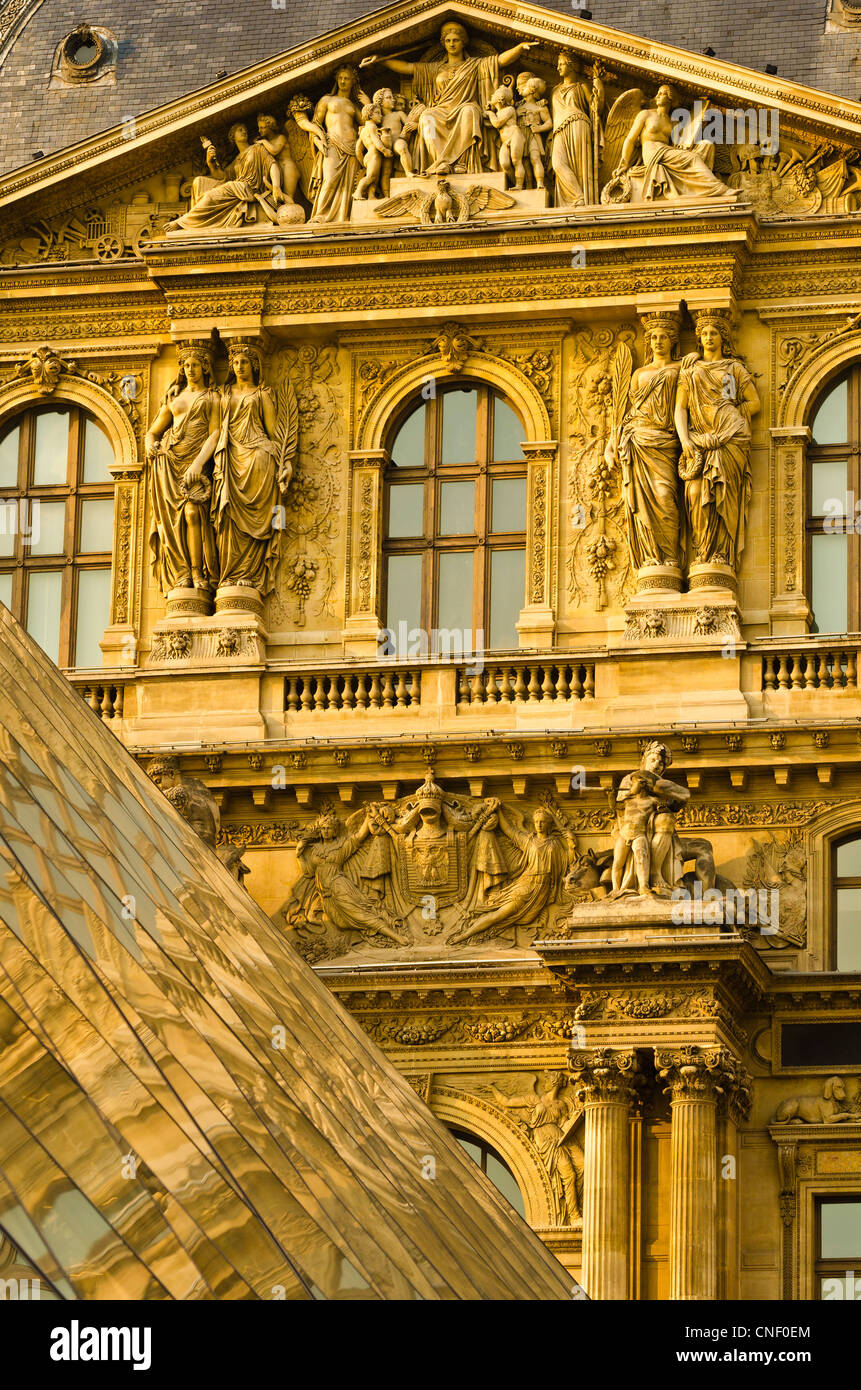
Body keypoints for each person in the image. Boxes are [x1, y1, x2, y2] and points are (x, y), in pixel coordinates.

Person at [361, 21, 539, 174]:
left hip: (465, 106)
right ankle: (439, 161)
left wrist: (519, 48)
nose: (451, 44)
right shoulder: (433, 69)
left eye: (455, 40)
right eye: (448, 41)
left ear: (463, 42)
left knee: (469, 112)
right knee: (426, 117)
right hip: (440, 109)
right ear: (443, 43)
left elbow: (499, 61)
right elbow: (407, 67)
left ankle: (461, 163)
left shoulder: (476, 65)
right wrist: (382, 60)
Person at [674, 312, 761, 570]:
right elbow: (681, 409)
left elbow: (753, 402)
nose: (709, 337)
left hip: (729, 441)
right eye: (704, 333)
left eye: (714, 332)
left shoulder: (733, 369)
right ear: (699, 338)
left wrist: (731, 417)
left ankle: (721, 552)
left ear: (723, 337)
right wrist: (685, 440)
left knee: (724, 492)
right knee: (695, 492)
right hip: (699, 440)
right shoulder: (690, 372)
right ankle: (703, 551)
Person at [605, 313, 683, 573]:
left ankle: (671, 557)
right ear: (648, 342)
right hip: (638, 438)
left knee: (665, 497)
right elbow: (626, 410)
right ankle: (652, 557)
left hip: (666, 441)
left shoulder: (681, 368)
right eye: (653, 337)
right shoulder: (639, 373)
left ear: (672, 340)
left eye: (663, 337)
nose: (658, 341)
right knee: (642, 506)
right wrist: (612, 442)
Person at [212, 341, 287, 596]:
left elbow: (273, 432)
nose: (240, 366)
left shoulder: (261, 394)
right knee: (228, 517)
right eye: (236, 362)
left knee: (256, 519)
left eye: (245, 362)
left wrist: (284, 463)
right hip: (229, 458)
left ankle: (249, 574)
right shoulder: (223, 393)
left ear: (254, 365)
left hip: (258, 457)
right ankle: (230, 574)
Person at [145, 345, 219, 595]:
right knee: (172, 522)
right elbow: (154, 430)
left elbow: (216, 433)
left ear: (205, 367)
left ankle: (198, 571)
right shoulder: (175, 398)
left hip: (195, 463)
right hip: (169, 461)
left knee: (192, 513)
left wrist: (199, 463)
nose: (190, 370)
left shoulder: (212, 398)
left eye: (195, 365)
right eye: (186, 366)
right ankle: (183, 572)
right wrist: (150, 445)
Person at [613, 84, 734, 201]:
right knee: (693, 158)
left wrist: (700, 123)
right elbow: (630, 139)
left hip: (667, 152)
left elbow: (683, 143)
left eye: (662, 93)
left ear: (670, 98)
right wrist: (624, 163)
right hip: (652, 153)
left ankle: (702, 189)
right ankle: (719, 189)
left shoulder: (672, 122)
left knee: (706, 144)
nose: (658, 96)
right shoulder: (646, 114)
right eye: (658, 93)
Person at [167, 123, 285, 231]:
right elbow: (223, 176)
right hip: (238, 188)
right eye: (240, 130)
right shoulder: (237, 160)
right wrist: (210, 163)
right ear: (232, 137)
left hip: (250, 189)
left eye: (245, 130)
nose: (244, 132)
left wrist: (276, 186)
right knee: (199, 181)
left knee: (211, 195)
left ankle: (183, 221)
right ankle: (198, 222)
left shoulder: (257, 148)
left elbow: (272, 164)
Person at [550, 49, 603, 206]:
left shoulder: (582, 87)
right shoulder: (554, 90)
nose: (558, 68)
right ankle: (577, 197)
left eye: (561, 64)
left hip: (578, 125)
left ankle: (582, 201)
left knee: (579, 169)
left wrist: (598, 83)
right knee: (557, 163)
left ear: (571, 65)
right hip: (559, 129)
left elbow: (596, 109)